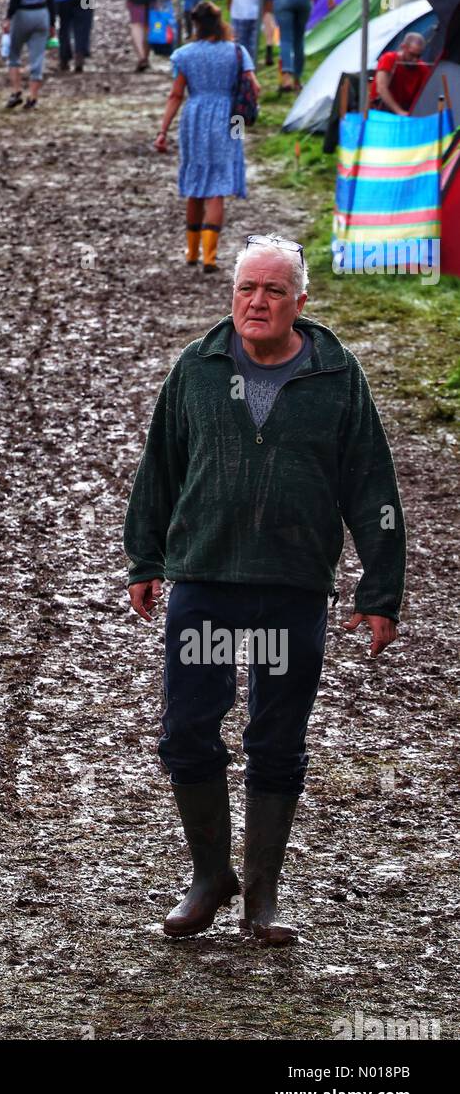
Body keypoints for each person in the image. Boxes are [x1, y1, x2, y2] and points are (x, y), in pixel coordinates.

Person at [124, 234, 405, 945]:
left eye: (274, 291)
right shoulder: (198, 367)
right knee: (188, 731)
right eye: (247, 288)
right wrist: (144, 558)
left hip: (291, 586)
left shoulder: (337, 377)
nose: (257, 302)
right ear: (233, 294)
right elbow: (160, 465)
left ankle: (262, 898)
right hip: (207, 578)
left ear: (299, 302)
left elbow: (371, 483)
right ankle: (209, 877)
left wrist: (380, 590)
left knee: (277, 740)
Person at [154, 0, 259, 272]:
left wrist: (163, 131)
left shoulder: (184, 54)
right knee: (218, 187)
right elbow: (254, 86)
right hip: (229, 117)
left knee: (195, 186)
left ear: (196, 24)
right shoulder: (237, 51)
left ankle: (191, 252)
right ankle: (210, 257)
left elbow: (176, 94)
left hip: (195, 117)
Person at [2, 0, 55, 110]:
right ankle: (33, 97)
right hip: (42, 14)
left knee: (14, 54)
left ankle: (16, 91)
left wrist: (8, 17)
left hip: (23, 14)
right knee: (37, 57)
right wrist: (52, 23)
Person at [369, 32, 430, 114]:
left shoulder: (422, 68)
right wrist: (399, 111)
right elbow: (381, 88)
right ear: (403, 47)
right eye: (411, 55)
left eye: (418, 56)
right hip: (380, 111)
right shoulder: (389, 59)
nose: (415, 60)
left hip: (406, 110)